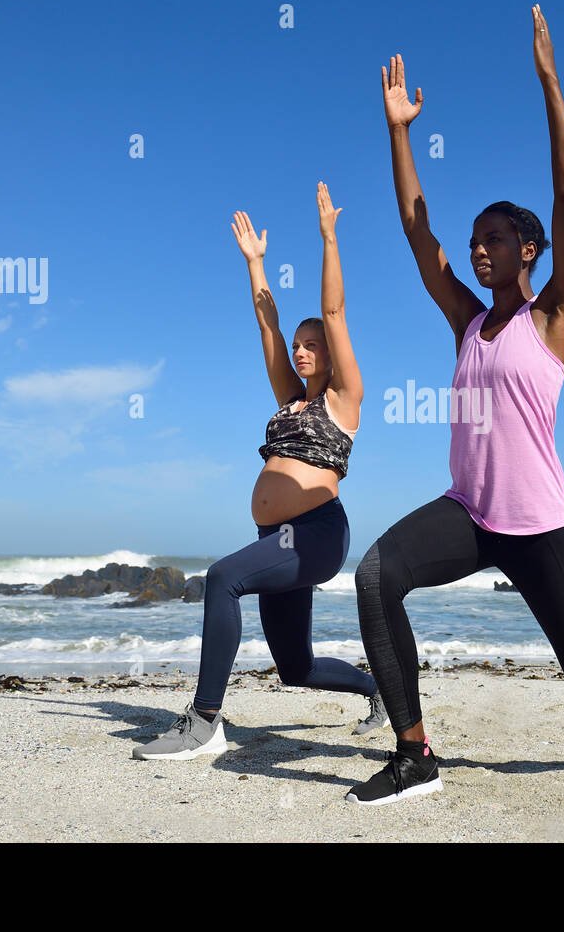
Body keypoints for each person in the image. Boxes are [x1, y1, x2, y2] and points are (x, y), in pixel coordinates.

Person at [348, 7, 564, 804]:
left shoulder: (554, 318)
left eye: (494, 239)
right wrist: (400, 132)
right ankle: (415, 755)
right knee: (375, 575)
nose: (478, 249)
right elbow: (417, 235)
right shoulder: (467, 322)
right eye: (474, 240)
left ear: (530, 250)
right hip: (470, 513)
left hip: (539, 526)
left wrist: (549, 81)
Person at [133, 182, 387, 760]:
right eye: (298, 346)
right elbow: (266, 326)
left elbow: (333, 310)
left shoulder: (344, 401)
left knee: (223, 578)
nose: (301, 351)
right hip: (275, 538)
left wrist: (328, 239)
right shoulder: (288, 399)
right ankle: (377, 689)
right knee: (295, 669)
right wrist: (257, 266)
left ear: (331, 353)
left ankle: (204, 722)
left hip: (317, 533)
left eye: (312, 346)